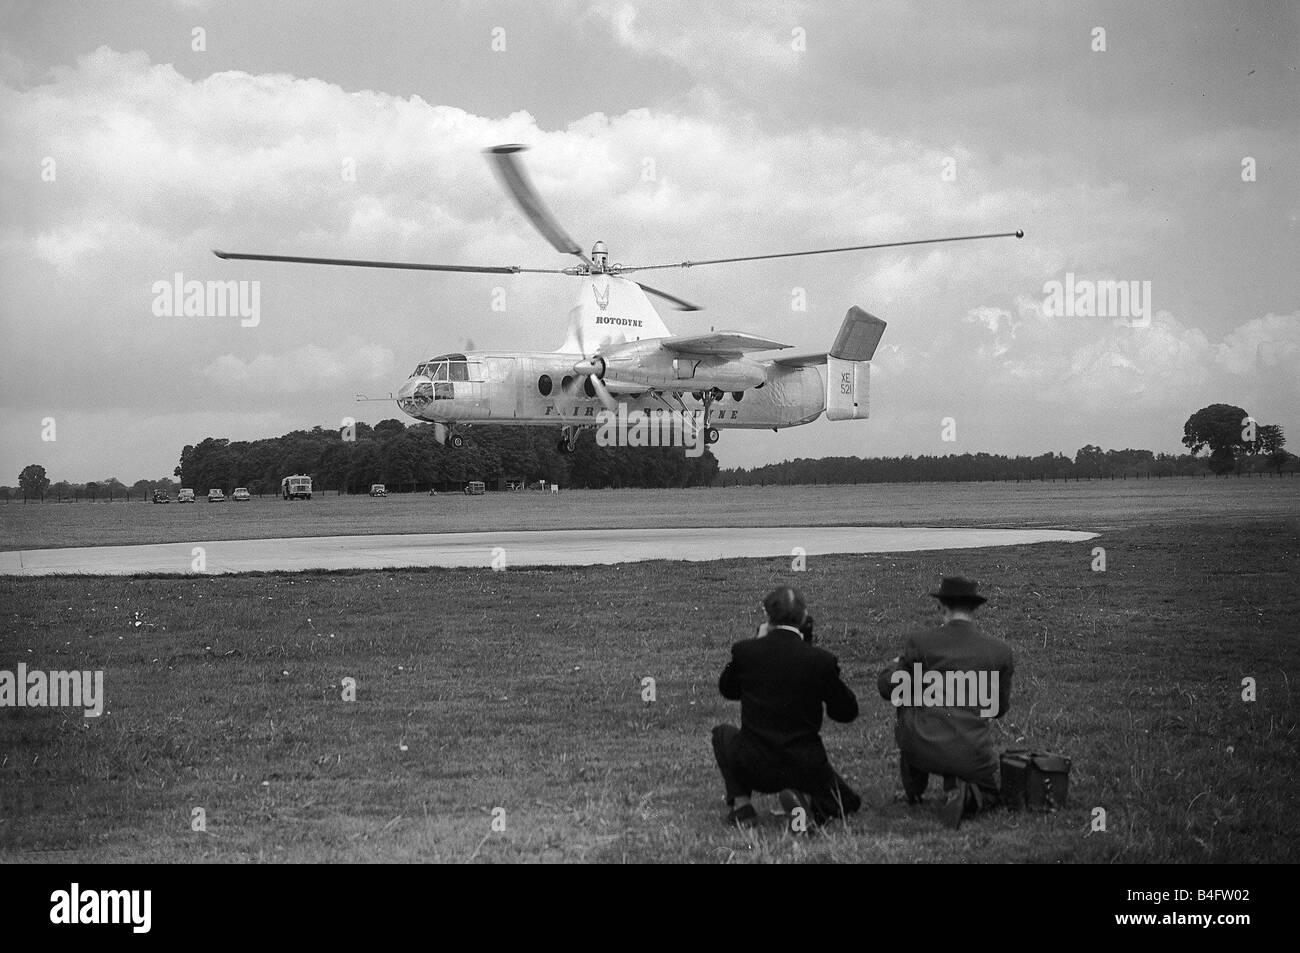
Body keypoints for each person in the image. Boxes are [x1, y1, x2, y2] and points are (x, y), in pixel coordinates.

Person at [711, 587, 861, 830]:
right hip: (806, 766)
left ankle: (742, 806)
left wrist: (757, 642)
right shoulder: (820, 660)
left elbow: (728, 689)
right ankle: (807, 802)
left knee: (721, 734)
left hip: (755, 765)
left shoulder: (745, 652)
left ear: (768, 619)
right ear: (804, 618)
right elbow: (846, 712)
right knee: (848, 803)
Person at [877, 576, 1013, 828]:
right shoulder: (1000, 650)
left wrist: (894, 666)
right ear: (974, 608)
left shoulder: (920, 643)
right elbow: (999, 709)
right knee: (992, 796)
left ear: (942, 607)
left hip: (921, 748)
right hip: (973, 752)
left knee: (906, 703)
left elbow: (889, 689)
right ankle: (966, 793)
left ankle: (915, 789)